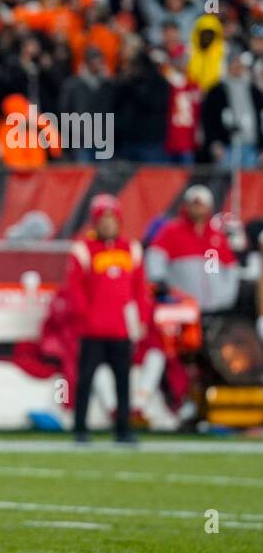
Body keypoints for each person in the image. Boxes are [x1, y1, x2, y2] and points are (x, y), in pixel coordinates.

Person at [65, 195, 149, 444]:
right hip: (92, 330)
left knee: (123, 382)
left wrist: (141, 319)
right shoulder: (82, 250)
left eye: (112, 219)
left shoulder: (131, 249)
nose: (108, 224)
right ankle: (80, 428)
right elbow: (75, 290)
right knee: (85, 381)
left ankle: (123, 429)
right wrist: (86, 318)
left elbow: (140, 290)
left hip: (121, 331)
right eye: (104, 219)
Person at [146, 185, 239, 315]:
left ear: (209, 207)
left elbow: (231, 268)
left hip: (215, 307)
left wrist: (227, 296)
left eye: (201, 204)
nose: (197, 208)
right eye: (194, 204)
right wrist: (159, 281)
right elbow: (154, 257)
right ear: (186, 206)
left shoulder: (217, 235)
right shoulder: (172, 231)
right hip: (182, 307)